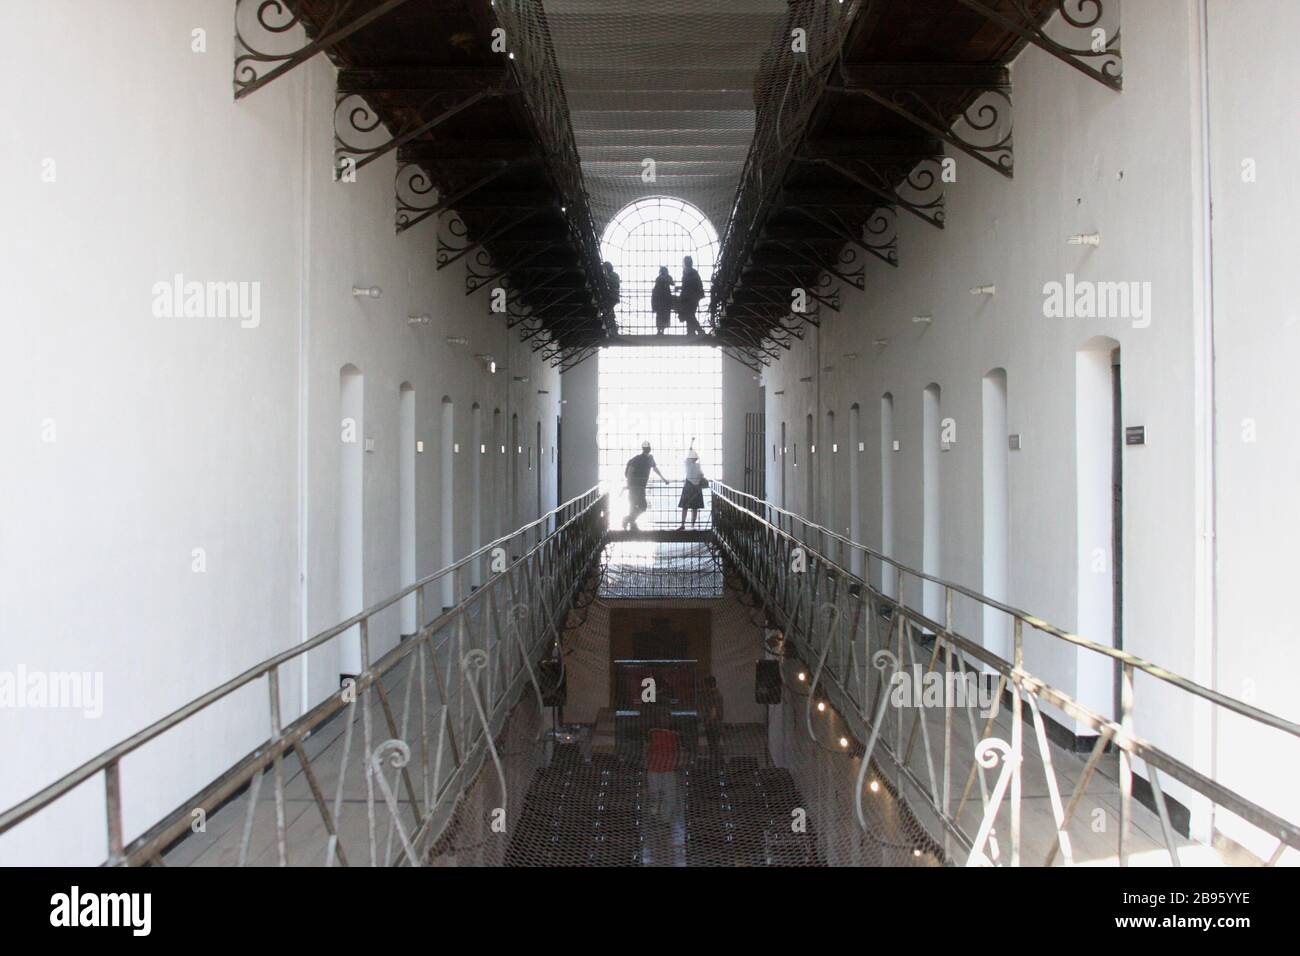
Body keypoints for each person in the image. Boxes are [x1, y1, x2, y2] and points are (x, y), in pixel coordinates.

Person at [645, 704, 679, 825]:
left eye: (667, 718)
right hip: (654, 769)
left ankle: (665, 820)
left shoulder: (675, 734)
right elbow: (647, 748)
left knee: (669, 796)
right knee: (654, 794)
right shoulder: (652, 733)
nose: (665, 720)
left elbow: (678, 751)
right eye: (662, 717)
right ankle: (654, 816)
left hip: (668, 770)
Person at [623, 440, 668, 530]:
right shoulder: (638, 459)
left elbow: (655, 469)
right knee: (641, 506)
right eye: (647, 447)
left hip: (639, 487)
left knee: (638, 506)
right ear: (645, 449)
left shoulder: (649, 458)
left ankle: (629, 522)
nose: (648, 449)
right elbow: (630, 472)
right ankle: (629, 521)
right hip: (635, 487)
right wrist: (629, 485)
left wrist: (664, 479)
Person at [676, 441, 707, 530]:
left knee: (686, 507)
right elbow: (701, 475)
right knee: (694, 507)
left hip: (689, 487)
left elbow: (688, 456)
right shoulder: (697, 465)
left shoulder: (688, 464)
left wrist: (691, 446)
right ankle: (692, 525)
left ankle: (683, 525)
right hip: (696, 488)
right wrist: (691, 446)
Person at [677, 255, 705, 336]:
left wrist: (680, 289)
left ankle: (698, 331)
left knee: (689, 315)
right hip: (693, 297)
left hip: (689, 298)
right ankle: (691, 332)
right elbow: (693, 285)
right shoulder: (693, 273)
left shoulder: (688, 273)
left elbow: (687, 285)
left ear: (685, 263)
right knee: (690, 314)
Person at [700, 675, 725, 759]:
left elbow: (713, 712)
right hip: (716, 724)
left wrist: (707, 721)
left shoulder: (713, 695)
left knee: (713, 745)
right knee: (714, 745)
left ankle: (714, 762)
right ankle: (715, 761)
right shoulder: (717, 694)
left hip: (712, 724)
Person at [650, 266, 675, 335]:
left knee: (659, 315)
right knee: (665, 315)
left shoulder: (658, 278)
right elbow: (673, 283)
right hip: (666, 299)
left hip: (659, 300)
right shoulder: (668, 277)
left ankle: (659, 330)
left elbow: (655, 290)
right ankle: (662, 330)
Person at [600, 261, 621, 335]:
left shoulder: (612, 275)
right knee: (609, 310)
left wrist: (605, 278)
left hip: (611, 296)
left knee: (607, 310)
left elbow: (613, 283)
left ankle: (611, 326)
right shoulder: (615, 275)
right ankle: (612, 326)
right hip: (613, 297)